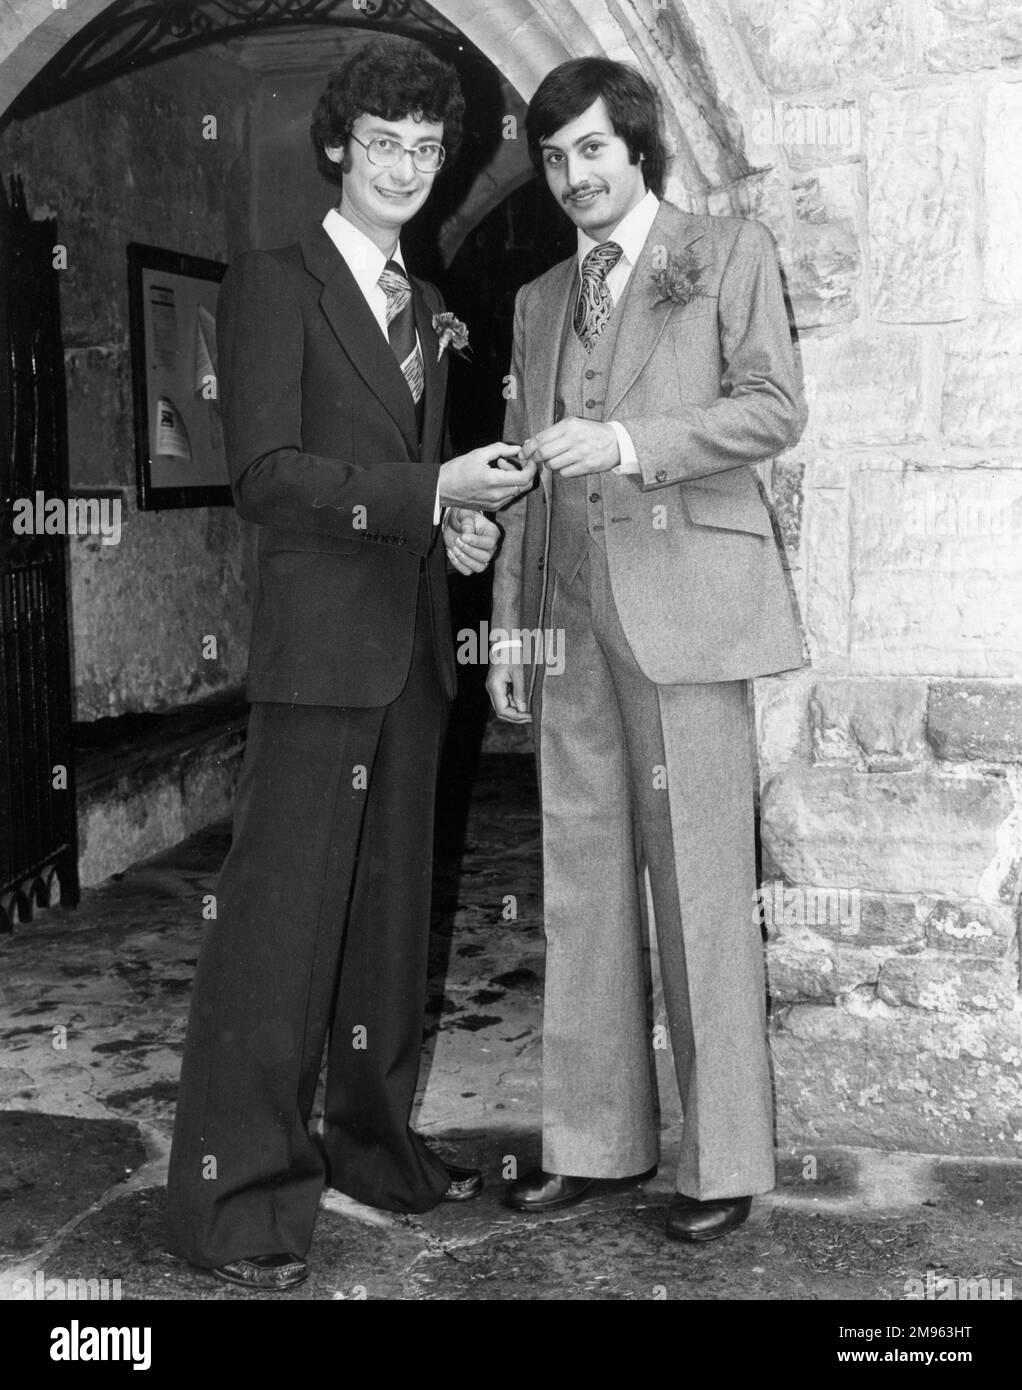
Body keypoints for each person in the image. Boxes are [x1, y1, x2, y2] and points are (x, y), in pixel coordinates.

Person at [166, 36, 532, 1290]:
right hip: (318, 661)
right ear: (338, 147)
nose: (407, 167)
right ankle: (236, 1199)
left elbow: (400, 490)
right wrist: (427, 486)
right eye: (384, 143)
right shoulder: (275, 279)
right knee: (275, 934)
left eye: (428, 149)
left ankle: (372, 1147)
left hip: (410, 655)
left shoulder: (431, 310)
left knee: (386, 926)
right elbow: (265, 477)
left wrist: (456, 520)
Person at [486, 57, 807, 1243]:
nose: (573, 174)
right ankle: (595, 1144)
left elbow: (773, 408)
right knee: (577, 883)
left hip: (687, 609)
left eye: (591, 150)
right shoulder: (531, 302)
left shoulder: (724, 254)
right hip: (567, 617)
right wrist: (515, 627)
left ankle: (719, 1160)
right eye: (555, 156)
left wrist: (628, 440)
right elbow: (524, 472)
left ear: (636, 148)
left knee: (700, 889)